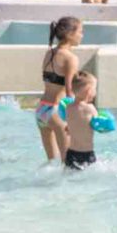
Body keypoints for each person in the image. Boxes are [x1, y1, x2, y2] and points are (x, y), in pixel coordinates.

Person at [36, 16, 82, 162]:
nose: (82, 35)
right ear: (69, 34)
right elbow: (69, 91)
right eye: (80, 32)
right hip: (57, 112)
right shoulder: (70, 58)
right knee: (68, 164)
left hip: (41, 110)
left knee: (51, 162)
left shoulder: (49, 53)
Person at [63, 72, 103, 170]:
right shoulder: (90, 108)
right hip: (87, 154)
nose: (95, 92)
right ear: (89, 91)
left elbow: (69, 127)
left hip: (71, 154)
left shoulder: (68, 108)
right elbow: (99, 126)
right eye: (95, 89)